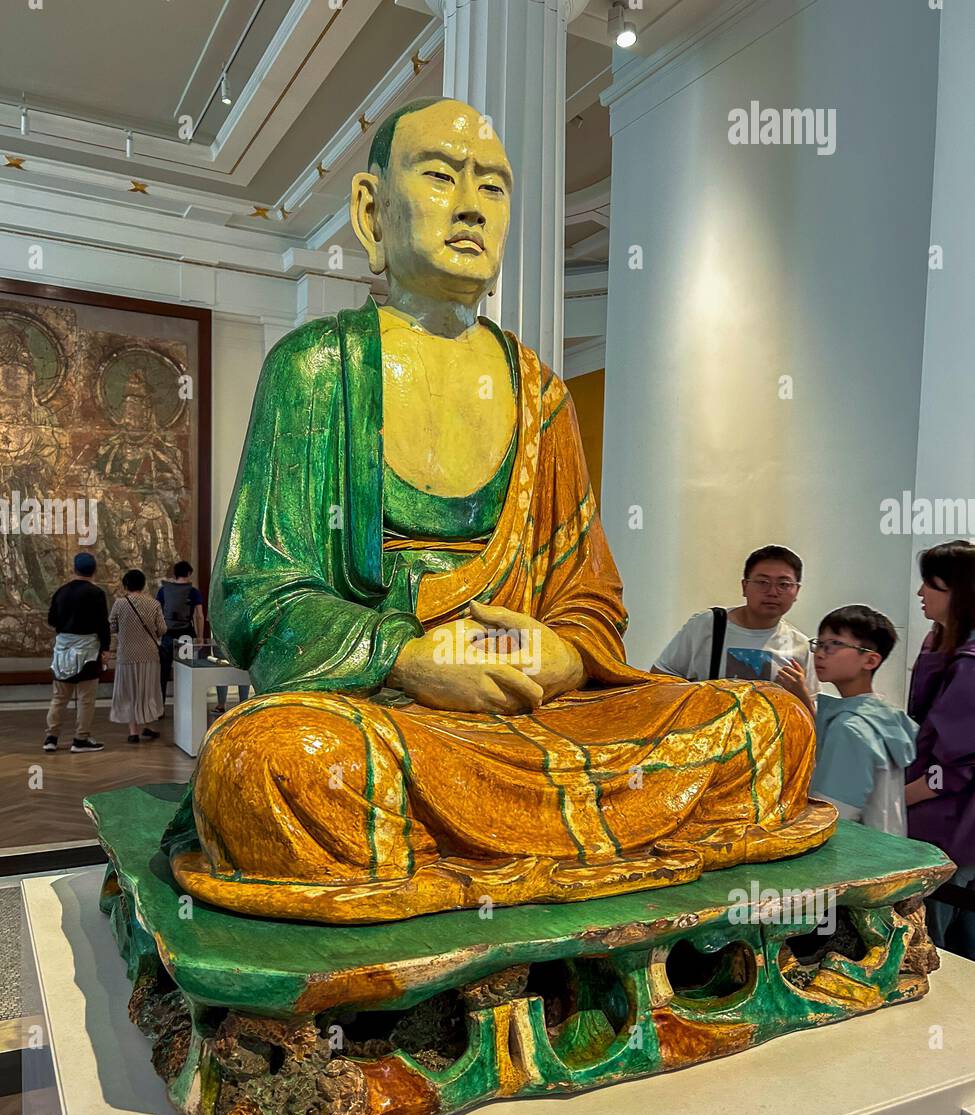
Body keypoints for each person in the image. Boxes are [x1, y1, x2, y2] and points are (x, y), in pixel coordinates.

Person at [161, 97, 834, 926]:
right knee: (274, 765)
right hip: (385, 709)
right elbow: (255, 598)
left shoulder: (540, 392)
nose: (471, 205)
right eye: (440, 176)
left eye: (495, 188)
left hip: (530, 705)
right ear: (373, 210)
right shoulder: (318, 366)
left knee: (767, 720)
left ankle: (468, 862)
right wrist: (406, 659)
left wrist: (558, 651)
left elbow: (588, 598)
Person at [782, 605, 916, 834]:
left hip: (856, 859)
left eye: (835, 644)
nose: (821, 653)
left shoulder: (850, 728)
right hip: (888, 850)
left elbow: (832, 816)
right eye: (820, 644)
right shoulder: (882, 716)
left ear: (870, 661)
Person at [903, 541, 975, 957]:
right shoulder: (944, 648)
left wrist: (897, 800)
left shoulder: (969, 665)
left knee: (936, 944)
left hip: (950, 832)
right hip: (940, 828)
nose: (920, 594)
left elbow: (952, 769)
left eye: (930, 585)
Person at [651, 545, 819, 695]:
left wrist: (800, 694)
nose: (772, 592)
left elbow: (813, 716)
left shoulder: (800, 646)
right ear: (744, 586)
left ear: (796, 591)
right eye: (762, 582)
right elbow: (659, 679)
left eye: (783, 584)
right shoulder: (708, 625)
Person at [44, 552, 109, 753]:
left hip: (63, 649)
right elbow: (102, 624)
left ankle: (51, 738)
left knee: (59, 697)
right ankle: (80, 739)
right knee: (85, 698)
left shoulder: (61, 592)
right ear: (94, 570)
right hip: (88, 650)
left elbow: (52, 620)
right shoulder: (96, 593)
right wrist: (105, 649)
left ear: (74, 569)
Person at [109, 569, 167, 744]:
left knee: (129, 693)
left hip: (126, 654)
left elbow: (111, 627)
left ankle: (133, 732)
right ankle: (148, 727)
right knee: (148, 691)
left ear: (125, 585)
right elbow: (162, 629)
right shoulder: (154, 604)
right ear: (143, 585)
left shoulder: (119, 604)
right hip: (149, 654)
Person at [157, 560, 204, 704]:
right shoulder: (193, 592)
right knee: (186, 670)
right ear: (189, 573)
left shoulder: (163, 590)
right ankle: (186, 703)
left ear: (174, 574)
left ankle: (161, 706)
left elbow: (157, 612)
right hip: (185, 634)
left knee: (163, 671)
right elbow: (199, 615)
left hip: (167, 634)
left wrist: (158, 634)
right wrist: (200, 637)